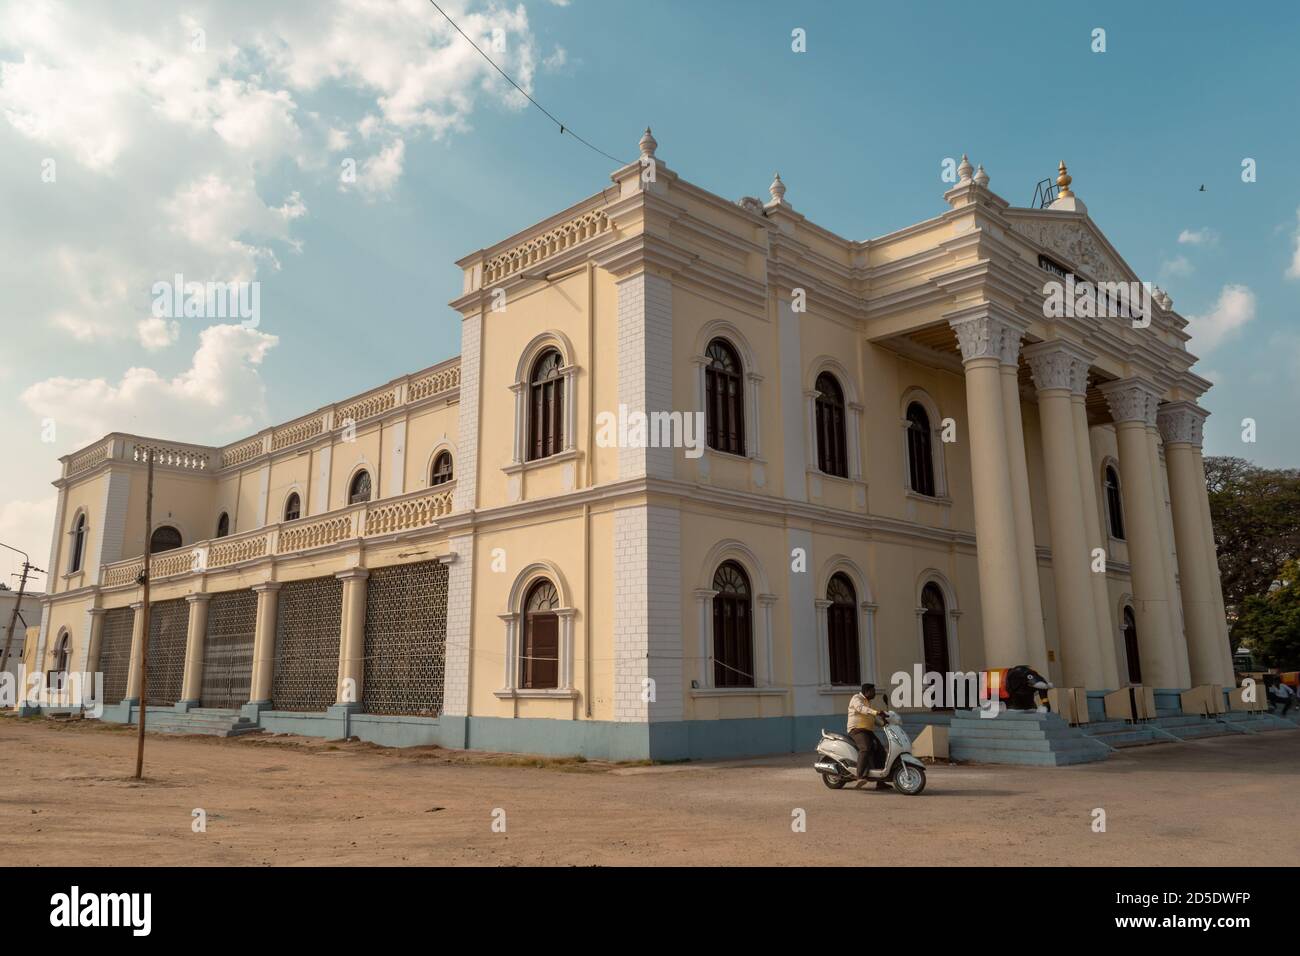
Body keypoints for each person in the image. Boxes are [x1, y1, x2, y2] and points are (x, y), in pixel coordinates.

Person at [847, 683, 889, 789]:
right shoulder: (856, 698)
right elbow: (861, 709)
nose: (875, 693)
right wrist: (877, 712)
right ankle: (860, 776)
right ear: (867, 691)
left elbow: (873, 719)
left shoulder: (868, 703)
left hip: (867, 731)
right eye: (873, 691)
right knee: (865, 748)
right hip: (857, 730)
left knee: (881, 751)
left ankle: (880, 782)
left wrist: (884, 723)